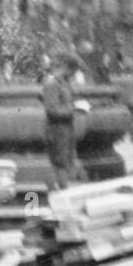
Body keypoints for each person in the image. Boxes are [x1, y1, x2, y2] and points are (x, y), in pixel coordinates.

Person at [43, 54, 83, 189]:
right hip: (57, 128)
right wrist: (73, 109)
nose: (73, 75)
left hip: (66, 127)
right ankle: (60, 191)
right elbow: (51, 110)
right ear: (67, 68)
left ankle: (60, 190)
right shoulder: (52, 83)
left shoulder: (65, 82)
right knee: (60, 161)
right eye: (73, 72)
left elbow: (66, 102)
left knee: (66, 160)